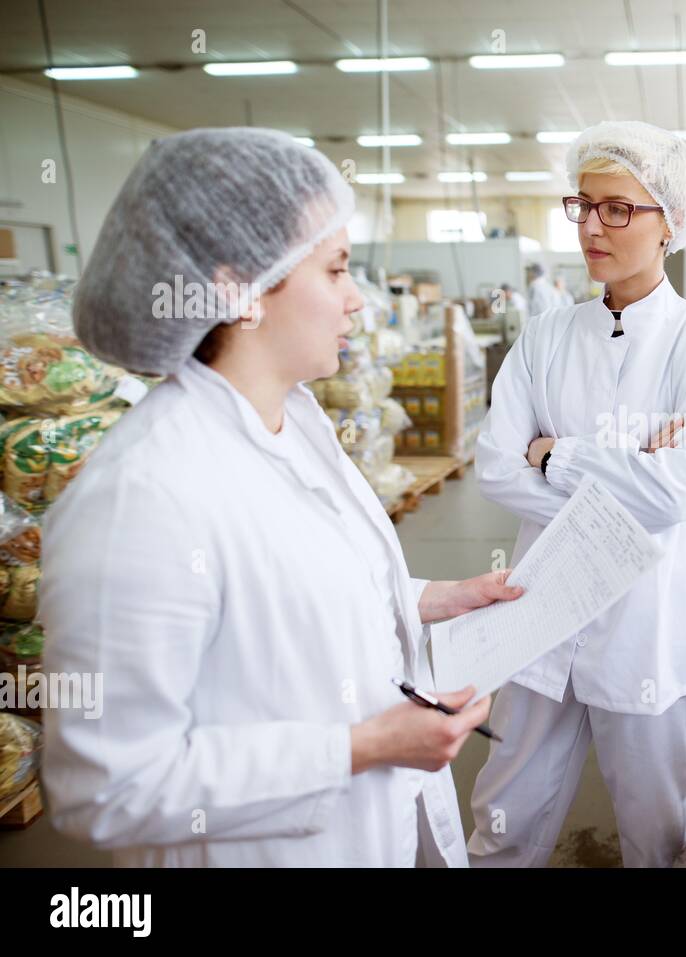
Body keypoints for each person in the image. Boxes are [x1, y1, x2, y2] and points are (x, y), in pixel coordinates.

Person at [39, 128, 521, 867]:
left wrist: (430, 597)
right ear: (239, 290)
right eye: (335, 269)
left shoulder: (294, 417)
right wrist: (359, 746)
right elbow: (105, 786)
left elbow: (289, 589)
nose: (358, 300)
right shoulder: (140, 499)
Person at [469, 120, 686, 867]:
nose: (592, 225)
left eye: (618, 208)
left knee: (654, 836)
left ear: (671, 223)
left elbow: (681, 491)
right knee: (503, 819)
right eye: (582, 204)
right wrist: (626, 471)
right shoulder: (544, 337)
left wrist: (556, 453)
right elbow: (495, 465)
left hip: (649, 629)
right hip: (543, 618)